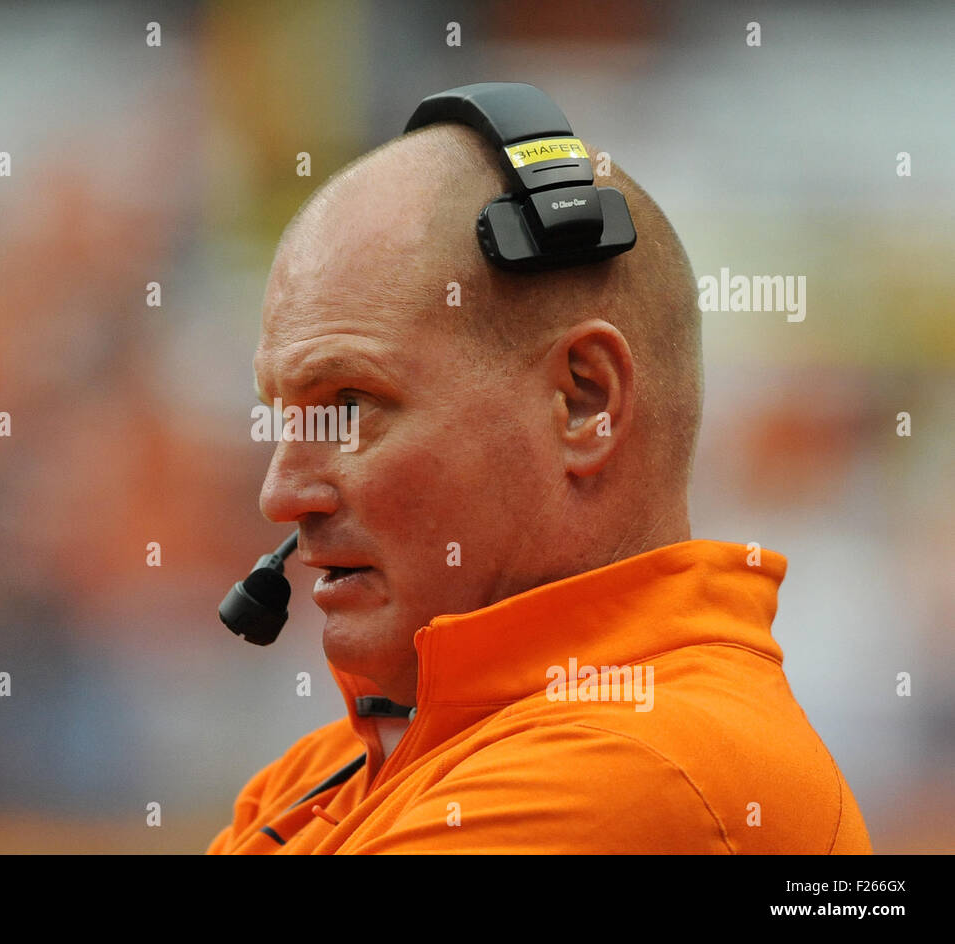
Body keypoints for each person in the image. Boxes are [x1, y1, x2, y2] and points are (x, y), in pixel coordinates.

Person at [206, 115, 872, 854]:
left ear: (584, 401)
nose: (282, 495)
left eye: (350, 407)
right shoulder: (320, 773)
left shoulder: (637, 767)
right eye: (283, 418)